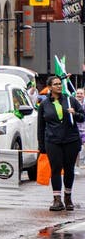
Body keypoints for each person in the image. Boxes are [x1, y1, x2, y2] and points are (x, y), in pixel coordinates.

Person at [36, 75, 84, 212]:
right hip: (53, 141)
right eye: (55, 84)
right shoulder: (44, 104)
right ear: (50, 87)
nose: (59, 86)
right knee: (55, 169)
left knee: (69, 169)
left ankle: (68, 197)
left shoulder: (70, 100)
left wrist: (74, 113)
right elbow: (41, 126)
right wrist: (41, 146)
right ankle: (57, 200)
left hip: (71, 140)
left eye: (59, 83)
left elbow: (82, 117)